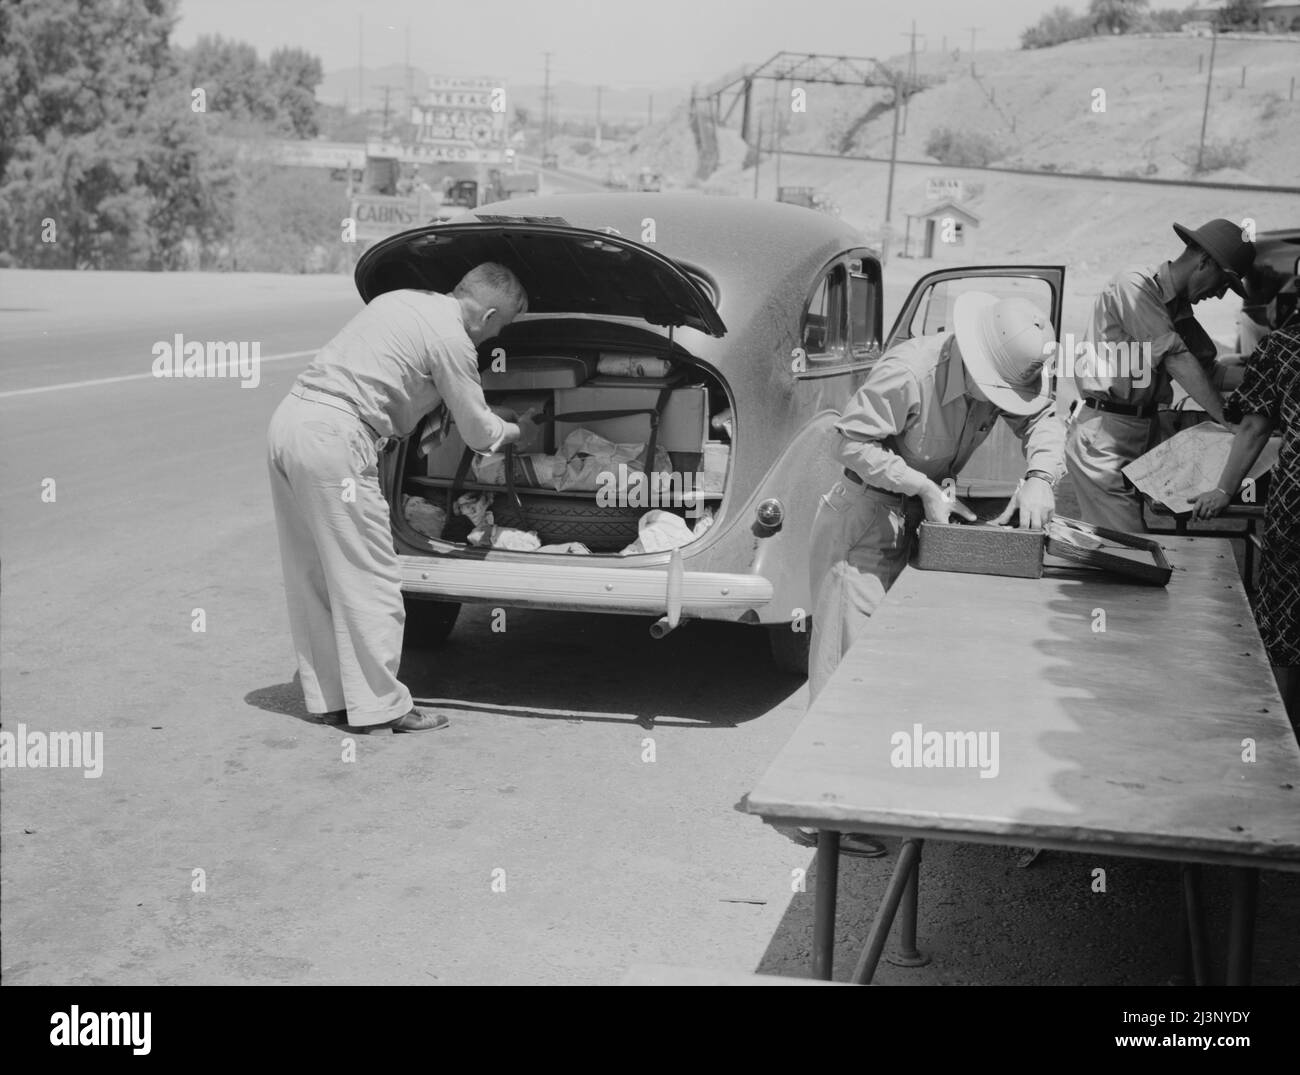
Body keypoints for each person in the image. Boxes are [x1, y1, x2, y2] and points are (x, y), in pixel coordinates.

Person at [802, 294, 1065, 857]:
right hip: (863, 520)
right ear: (973, 360)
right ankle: (818, 809)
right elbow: (848, 441)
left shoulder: (1002, 368)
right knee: (844, 669)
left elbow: (1043, 416)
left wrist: (1041, 477)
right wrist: (921, 485)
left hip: (914, 516)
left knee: (889, 668)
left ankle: (865, 790)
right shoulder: (909, 371)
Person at [267, 263, 528, 733]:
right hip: (337, 439)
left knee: (313, 572)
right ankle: (382, 707)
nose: (495, 337)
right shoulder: (452, 339)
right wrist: (514, 429)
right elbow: (479, 433)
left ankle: (330, 698)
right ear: (489, 315)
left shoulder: (400, 300)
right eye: (502, 327)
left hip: (290, 423)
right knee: (372, 577)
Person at [1065, 218, 1255, 532]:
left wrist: (1270, 376)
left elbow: (1209, 372)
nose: (1220, 295)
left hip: (1145, 431)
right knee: (1129, 547)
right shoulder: (1135, 285)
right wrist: (1228, 418)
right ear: (1204, 262)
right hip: (1105, 436)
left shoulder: (1177, 308)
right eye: (1223, 283)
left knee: (1130, 541)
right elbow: (1176, 357)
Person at [1191, 303, 1300, 730]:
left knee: (1287, 620)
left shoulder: (1284, 346)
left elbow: (1254, 428)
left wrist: (1223, 490)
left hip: (1295, 505)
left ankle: (1282, 733)